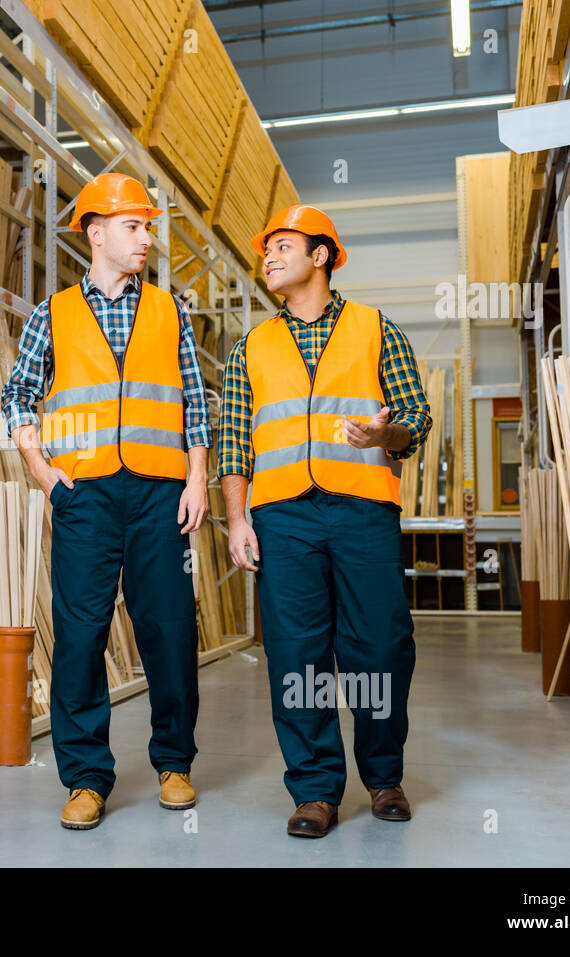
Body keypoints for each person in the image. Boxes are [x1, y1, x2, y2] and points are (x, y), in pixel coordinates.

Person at [1, 172, 210, 830]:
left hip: (159, 492)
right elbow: (16, 395)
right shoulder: (52, 314)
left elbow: (196, 403)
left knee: (170, 629)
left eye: (147, 226)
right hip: (84, 495)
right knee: (82, 635)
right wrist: (39, 466)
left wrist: (198, 477)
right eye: (134, 226)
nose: (147, 238)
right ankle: (87, 776)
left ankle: (174, 762)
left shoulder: (169, 311)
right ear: (96, 233)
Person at [218, 204, 432, 838]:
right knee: (296, 655)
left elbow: (414, 419)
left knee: (381, 647)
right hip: (283, 516)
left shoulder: (376, 329)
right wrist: (237, 521)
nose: (269, 257)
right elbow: (235, 441)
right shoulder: (250, 346)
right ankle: (314, 789)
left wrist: (383, 433)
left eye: (283, 245)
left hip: (362, 510)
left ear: (321, 256)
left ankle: (385, 777)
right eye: (266, 249)